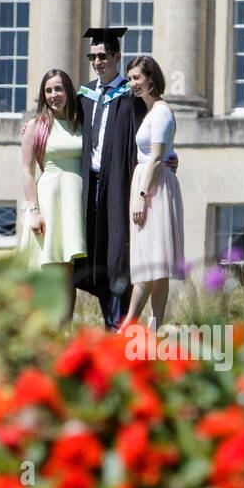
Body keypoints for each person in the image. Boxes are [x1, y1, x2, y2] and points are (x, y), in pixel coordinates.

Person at [74, 26, 176, 330]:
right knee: (93, 254)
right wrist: (32, 128)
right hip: (89, 185)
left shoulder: (131, 98)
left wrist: (169, 156)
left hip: (120, 186)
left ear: (117, 57)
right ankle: (111, 322)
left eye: (103, 55)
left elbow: (153, 137)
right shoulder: (85, 96)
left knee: (118, 251)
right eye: (92, 56)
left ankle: (119, 325)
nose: (97, 61)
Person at [17, 68, 86, 326]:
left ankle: (65, 331)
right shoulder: (35, 126)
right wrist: (33, 210)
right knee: (47, 270)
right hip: (48, 201)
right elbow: (27, 171)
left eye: (58, 89)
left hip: (74, 203)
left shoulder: (82, 122)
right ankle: (40, 330)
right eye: (48, 90)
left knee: (69, 273)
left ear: (68, 90)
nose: (53, 95)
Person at [120, 56, 184, 333]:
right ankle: (153, 326)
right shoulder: (152, 111)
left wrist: (142, 196)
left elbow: (157, 157)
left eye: (138, 77)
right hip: (152, 181)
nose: (133, 83)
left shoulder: (159, 112)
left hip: (153, 187)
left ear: (151, 79)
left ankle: (128, 326)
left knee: (150, 261)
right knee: (155, 262)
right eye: (131, 78)